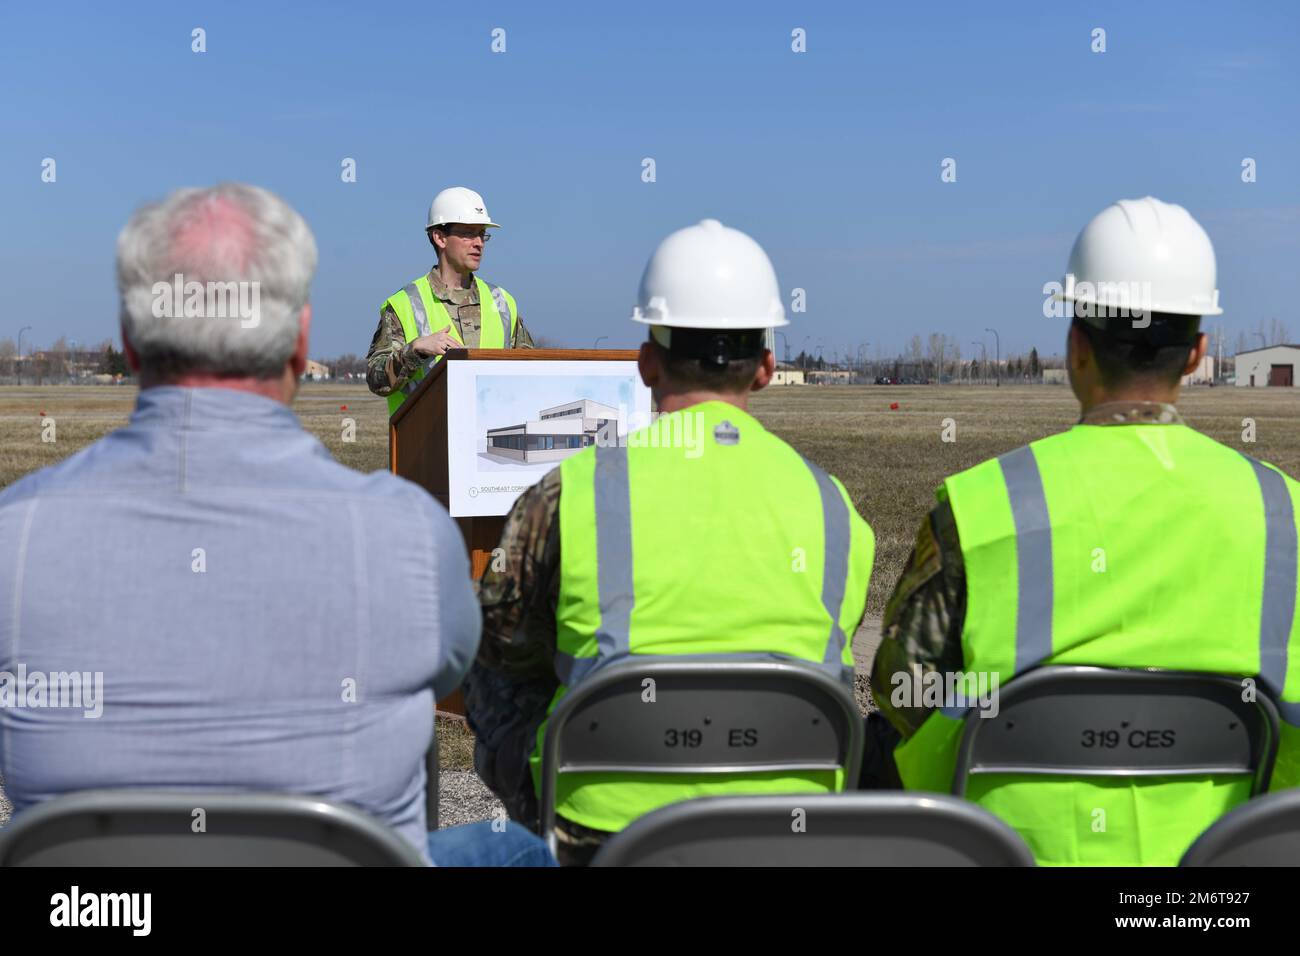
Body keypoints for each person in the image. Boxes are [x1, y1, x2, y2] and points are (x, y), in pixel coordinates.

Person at [0, 182, 551, 866]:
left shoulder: (15, 539)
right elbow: (458, 666)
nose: (480, 240)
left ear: (131, 348)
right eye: (469, 229)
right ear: (299, 345)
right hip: (434, 463)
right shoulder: (406, 536)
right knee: (527, 851)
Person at [870, 196, 1300, 865]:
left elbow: (902, 690)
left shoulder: (983, 504)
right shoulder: (1284, 511)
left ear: (1076, 345)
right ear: (1197, 354)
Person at [466, 219, 875, 864]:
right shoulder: (836, 510)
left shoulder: (569, 493)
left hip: (599, 838)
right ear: (767, 366)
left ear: (647, 360)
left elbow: (495, 650)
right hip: (786, 837)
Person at [366, 186, 533, 413]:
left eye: (482, 234)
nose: (479, 243)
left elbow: (530, 372)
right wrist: (415, 350)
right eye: (468, 233)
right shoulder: (404, 303)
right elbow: (377, 381)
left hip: (487, 444)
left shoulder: (502, 302)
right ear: (440, 237)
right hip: (423, 442)